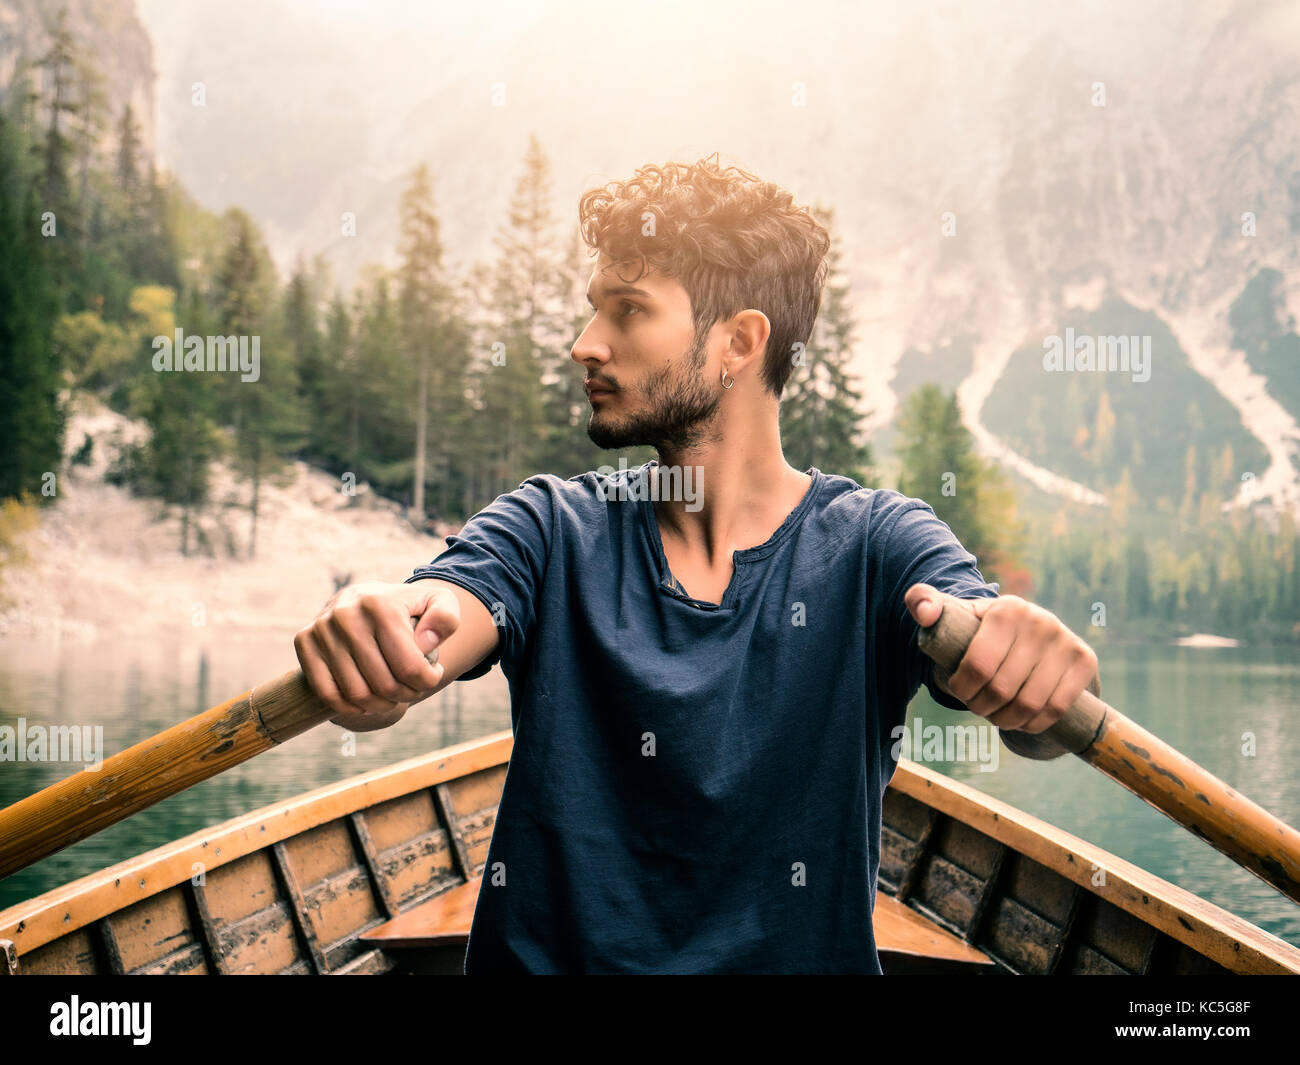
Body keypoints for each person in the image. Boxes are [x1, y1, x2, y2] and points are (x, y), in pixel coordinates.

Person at [293, 155, 1099, 974]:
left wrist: (1036, 674)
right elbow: (435, 622)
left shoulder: (879, 543)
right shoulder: (550, 527)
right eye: (592, 312)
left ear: (738, 342)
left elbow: (1040, 711)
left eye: (628, 310)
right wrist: (380, 637)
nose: (585, 344)